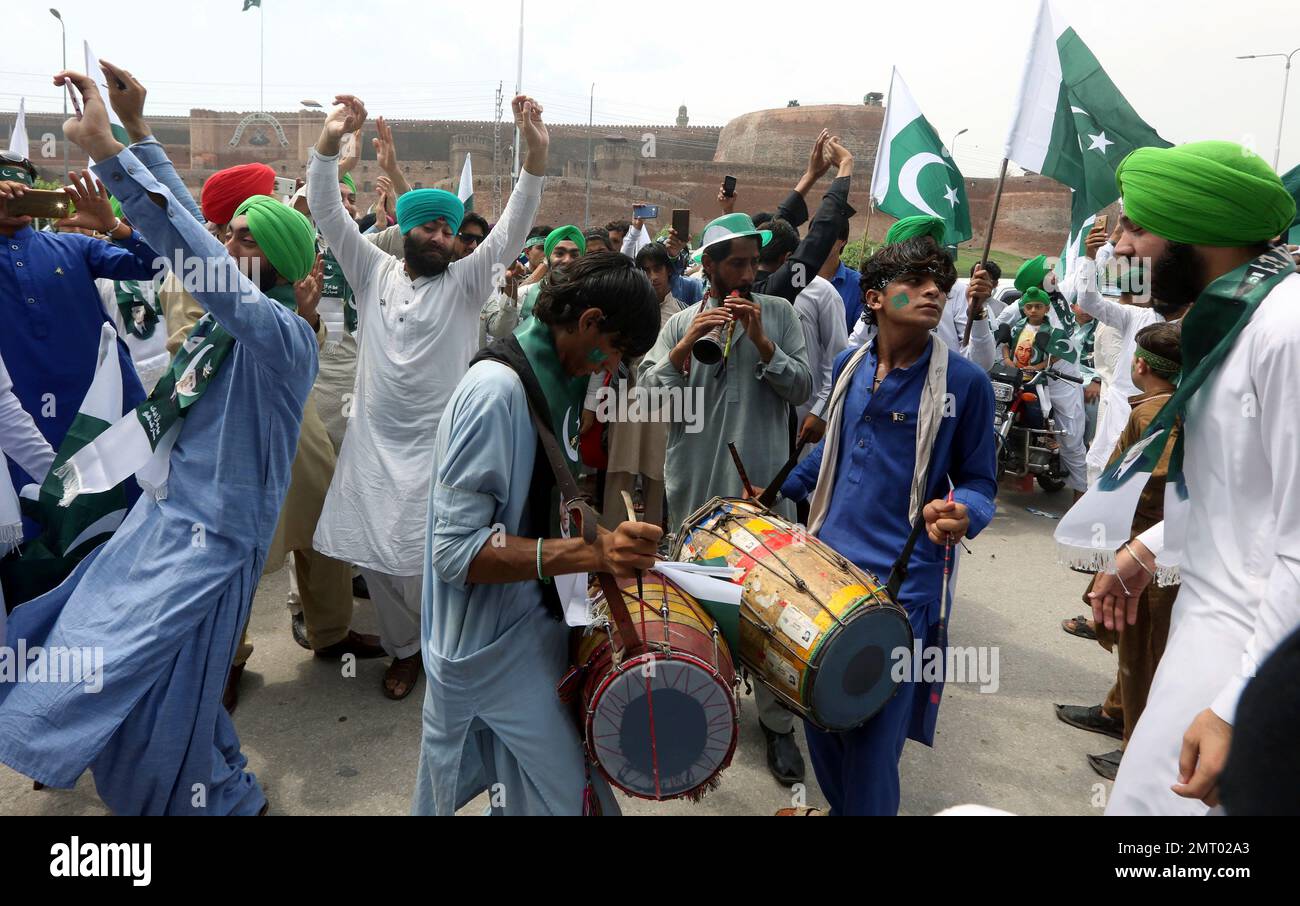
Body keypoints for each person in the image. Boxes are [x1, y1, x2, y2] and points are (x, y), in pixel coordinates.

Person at [0, 66, 319, 815]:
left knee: (151, 699)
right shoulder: (223, 329)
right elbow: (189, 226)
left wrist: (112, 152)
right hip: (160, 526)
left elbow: (194, 255)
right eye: (231, 229)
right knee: (141, 677)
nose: (228, 240)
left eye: (246, 236)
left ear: (279, 264)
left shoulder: (280, 337)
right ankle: (228, 789)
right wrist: (141, 131)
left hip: (208, 549)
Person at [1054, 140, 1300, 815]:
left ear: (1198, 233)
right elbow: (1239, 499)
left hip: (1252, 658)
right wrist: (1148, 550)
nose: (1119, 247)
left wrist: (1237, 705)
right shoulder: (1235, 322)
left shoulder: (1287, 328)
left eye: (1134, 227)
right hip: (1205, 640)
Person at [308, 93, 548, 700]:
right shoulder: (373, 273)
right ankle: (405, 651)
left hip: (440, 448)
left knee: (428, 563)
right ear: (407, 231)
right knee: (377, 563)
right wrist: (328, 143)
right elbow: (328, 214)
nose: (442, 236)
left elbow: (512, 230)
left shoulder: (468, 282)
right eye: (431, 227)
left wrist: (536, 157)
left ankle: (440, 651)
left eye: (448, 228)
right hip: (371, 445)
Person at [413, 252, 662, 815]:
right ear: (590, 321)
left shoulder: (555, 381)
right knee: (571, 799)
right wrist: (593, 550)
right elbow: (456, 551)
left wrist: (611, 540)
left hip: (530, 630)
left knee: (531, 792)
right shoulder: (494, 393)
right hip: (486, 647)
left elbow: (545, 513)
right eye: (614, 350)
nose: (608, 367)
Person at [774, 235, 997, 815]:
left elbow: (980, 480)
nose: (933, 292)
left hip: (903, 589)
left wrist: (963, 511)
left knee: (873, 747)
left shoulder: (964, 384)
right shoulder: (852, 366)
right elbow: (838, 453)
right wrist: (782, 489)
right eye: (917, 281)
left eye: (939, 286)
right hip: (823, 574)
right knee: (822, 723)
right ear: (874, 298)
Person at [638, 212, 811, 785]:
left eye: (753, 263)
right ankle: (699, 713)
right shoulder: (680, 321)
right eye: (735, 263)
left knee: (768, 611)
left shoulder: (781, 315)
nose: (747, 273)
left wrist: (762, 342)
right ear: (707, 266)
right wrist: (686, 343)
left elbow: (803, 389)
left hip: (758, 494)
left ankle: (778, 725)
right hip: (694, 492)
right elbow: (647, 402)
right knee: (697, 612)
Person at [1055, 323, 1183, 780]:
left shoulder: (1158, 414)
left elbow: (1160, 479)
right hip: (1144, 543)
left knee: (1145, 645)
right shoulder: (1158, 406)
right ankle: (1115, 710)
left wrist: (1131, 535)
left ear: (1141, 365)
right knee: (1137, 643)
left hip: (1150, 552)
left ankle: (1137, 748)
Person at [0, 155, 160, 496]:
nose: (17, 199)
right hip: (20, 422)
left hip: (102, 410)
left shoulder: (75, 246)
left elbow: (158, 266)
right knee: (34, 523)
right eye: (7, 191)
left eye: (25, 191)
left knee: (120, 514)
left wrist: (113, 225)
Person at [1072, 224, 1191, 485]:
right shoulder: (1134, 317)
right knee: (1102, 481)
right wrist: (1092, 256)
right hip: (1116, 422)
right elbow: (1089, 302)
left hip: (1162, 424)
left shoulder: (1193, 326)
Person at [594, 242, 685, 530]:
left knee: (657, 476)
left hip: (664, 403)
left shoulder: (682, 315)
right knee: (620, 470)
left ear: (669, 272)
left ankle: (651, 546)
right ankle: (610, 542)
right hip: (628, 396)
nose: (652, 277)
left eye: (658, 269)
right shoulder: (626, 312)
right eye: (645, 270)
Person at [996, 254, 1087, 495]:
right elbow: (999, 327)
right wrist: (1006, 355)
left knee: (1072, 437)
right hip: (1032, 380)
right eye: (1049, 273)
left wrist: (1099, 249)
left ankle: (1080, 493)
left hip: (1065, 381)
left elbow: (1083, 275)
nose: (1054, 275)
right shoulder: (1020, 307)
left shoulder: (1062, 291)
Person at [518, 225, 584, 320]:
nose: (567, 260)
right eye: (559, 253)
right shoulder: (525, 292)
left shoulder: (589, 293)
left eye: (574, 255)